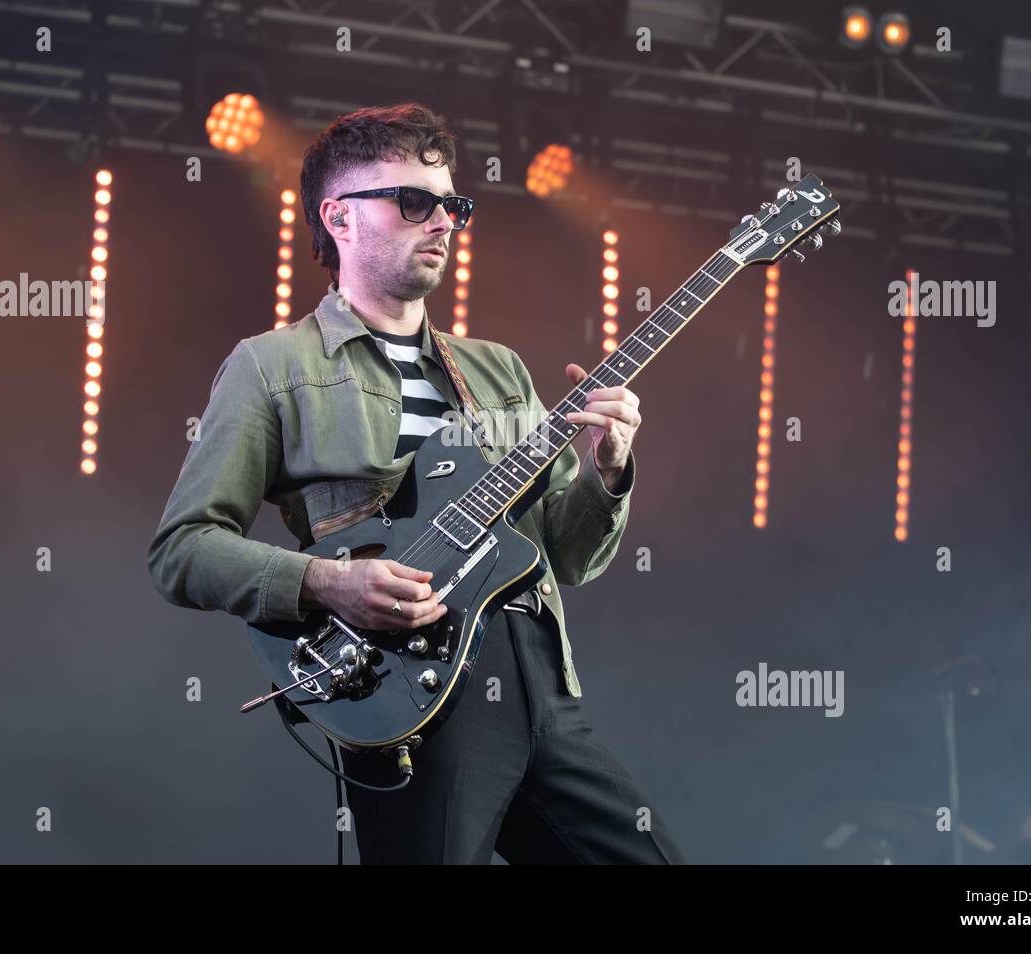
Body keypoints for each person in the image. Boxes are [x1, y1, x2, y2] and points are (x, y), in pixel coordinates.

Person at [148, 101, 685, 864]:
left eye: (452, 205)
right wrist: (326, 584)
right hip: (405, 685)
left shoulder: (497, 368)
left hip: (539, 679)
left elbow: (567, 556)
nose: (442, 222)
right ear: (337, 217)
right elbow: (182, 551)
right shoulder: (273, 366)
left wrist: (608, 468)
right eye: (413, 202)